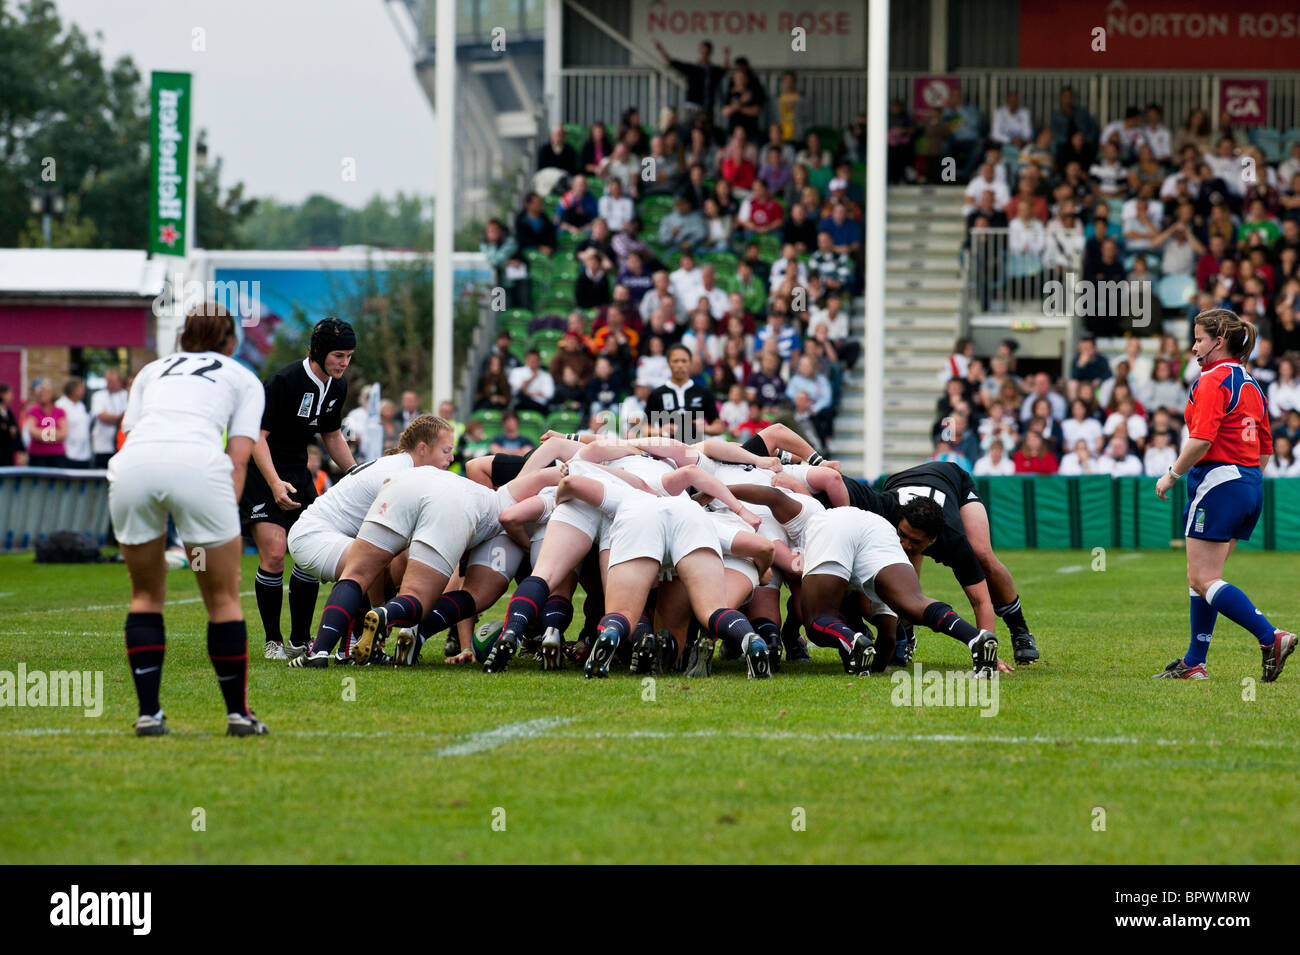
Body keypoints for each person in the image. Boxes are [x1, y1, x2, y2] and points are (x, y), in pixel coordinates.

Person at [107, 303, 268, 736]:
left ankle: (149, 715)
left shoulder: (151, 372)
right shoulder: (243, 378)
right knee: (222, 600)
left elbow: (129, 432)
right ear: (231, 342)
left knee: (144, 596)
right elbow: (238, 459)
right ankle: (238, 715)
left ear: (183, 337)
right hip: (198, 466)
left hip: (134, 465)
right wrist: (223, 524)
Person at [1154, 309, 1296, 681]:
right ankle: (1194, 662)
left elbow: (1201, 439)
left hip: (1219, 482)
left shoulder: (1213, 379)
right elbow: (1265, 447)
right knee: (1203, 578)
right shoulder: (1250, 383)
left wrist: (1171, 474)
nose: (1194, 346)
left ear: (1218, 342)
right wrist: (1243, 480)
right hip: (1247, 483)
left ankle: (1272, 636)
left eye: (1199, 338)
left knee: (1202, 577)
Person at [241, 317, 357, 661]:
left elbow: (332, 435)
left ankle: (299, 639)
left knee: (308, 556)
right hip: (263, 472)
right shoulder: (283, 381)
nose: (344, 362)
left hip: (299, 472)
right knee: (276, 553)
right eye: (338, 355)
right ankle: (273, 640)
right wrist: (275, 483)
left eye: (349, 356)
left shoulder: (337, 386)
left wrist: (355, 474)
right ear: (320, 352)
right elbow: (255, 438)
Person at [644, 343, 725, 440]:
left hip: (696, 449)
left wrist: (705, 428)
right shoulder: (656, 394)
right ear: (668, 363)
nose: (680, 365)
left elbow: (719, 427)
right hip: (666, 450)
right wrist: (659, 431)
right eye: (675, 361)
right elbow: (644, 428)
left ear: (690, 363)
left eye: (684, 361)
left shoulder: (703, 392)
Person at [89, 369, 128, 468]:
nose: (109, 384)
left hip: (122, 446)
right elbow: (102, 416)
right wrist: (122, 419)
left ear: (119, 382)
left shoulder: (126, 395)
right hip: (102, 447)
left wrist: (115, 418)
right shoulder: (99, 395)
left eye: (112, 382)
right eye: (108, 381)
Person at [23, 380, 67, 468]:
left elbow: (63, 433)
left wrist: (41, 434)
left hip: (57, 455)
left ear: (52, 395)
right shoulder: (33, 411)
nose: (43, 395)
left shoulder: (60, 411)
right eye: (40, 393)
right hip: (37, 455)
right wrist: (53, 435)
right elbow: (32, 431)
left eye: (46, 393)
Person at [56, 377, 92, 468]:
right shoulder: (61, 405)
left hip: (84, 454)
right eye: (81, 388)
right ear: (73, 390)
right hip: (68, 453)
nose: (84, 391)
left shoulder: (81, 405)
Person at [0, 383, 20, 466]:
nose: (12, 397)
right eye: (9, 393)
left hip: (7, 455)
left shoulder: (9, 413)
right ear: (2, 395)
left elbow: (16, 430)